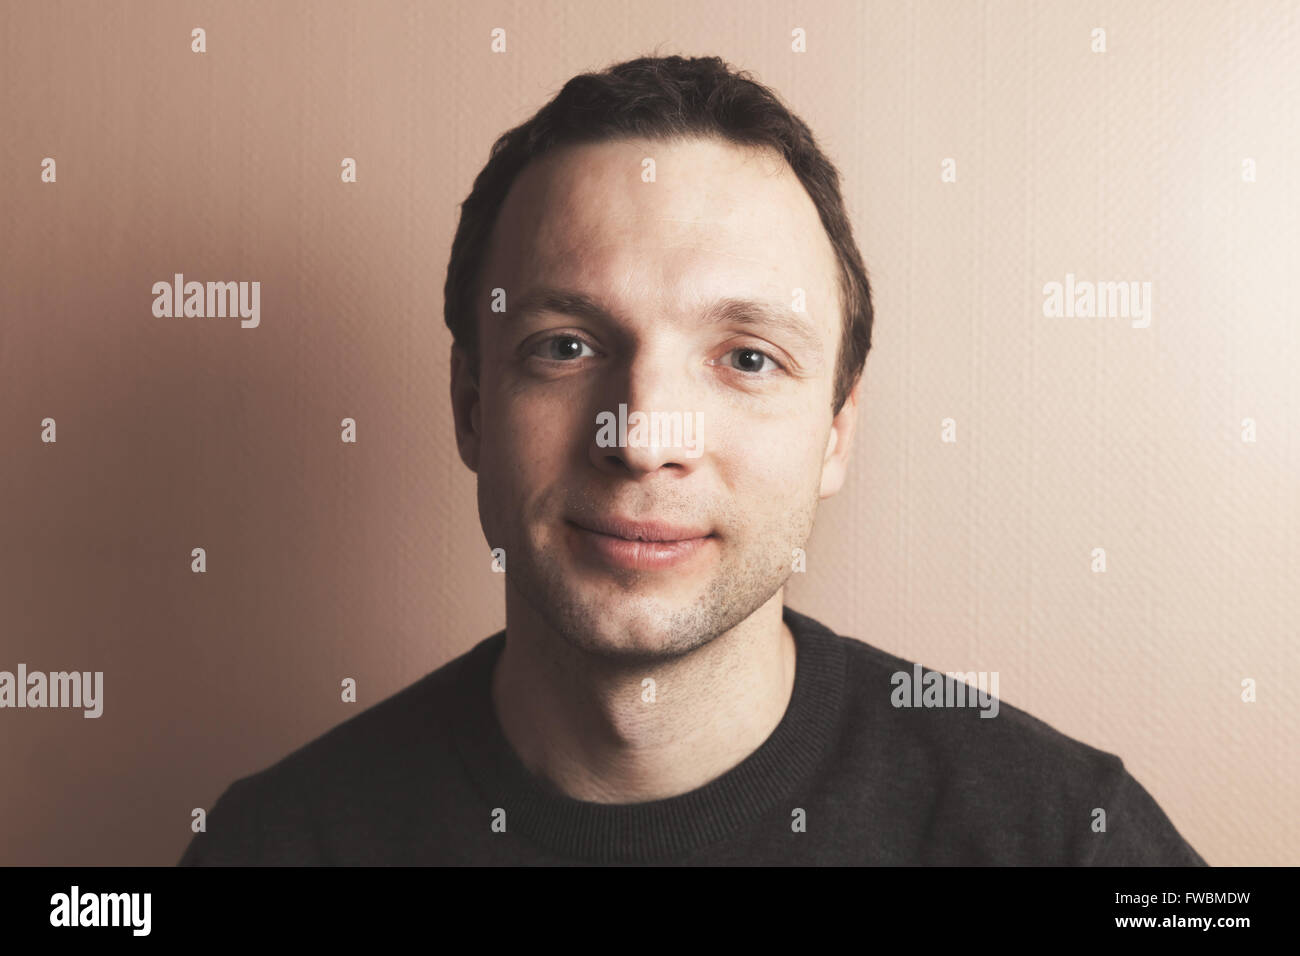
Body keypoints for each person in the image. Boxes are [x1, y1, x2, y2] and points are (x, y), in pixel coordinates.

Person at [180, 54, 1205, 866]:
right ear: (469, 403)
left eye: (747, 357)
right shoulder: (275, 845)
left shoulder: (1066, 839)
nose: (644, 438)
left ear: (836, 431)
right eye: (566, 346)